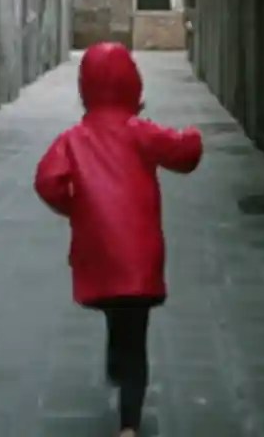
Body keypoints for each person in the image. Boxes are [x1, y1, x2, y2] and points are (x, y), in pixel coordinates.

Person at [34, 42, 204, 437]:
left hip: (99, 251)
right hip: (140, 255)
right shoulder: (140, 131)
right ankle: (128, 425)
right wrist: (195, 134)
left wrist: (76, 207)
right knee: (135, 332)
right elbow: (183, 153)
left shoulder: (74, 138)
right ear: (133, 84)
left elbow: (47, 181)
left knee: (114, 305)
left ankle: (114, 360)